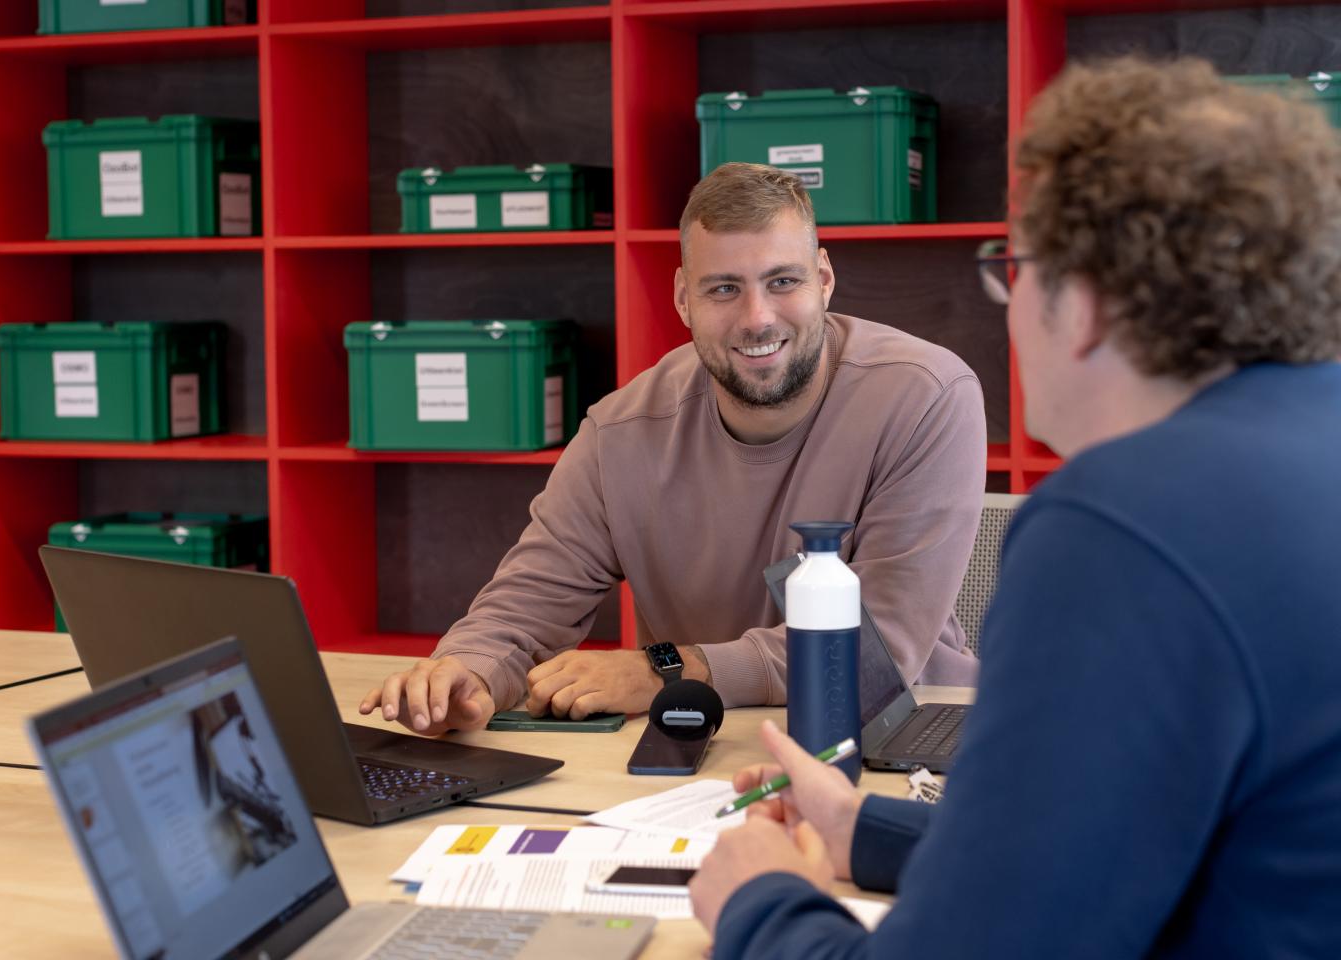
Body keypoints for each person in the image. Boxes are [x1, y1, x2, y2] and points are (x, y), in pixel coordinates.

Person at [688, 55, 1341, 958]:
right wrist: (865, 831)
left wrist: (760, 902)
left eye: (1015, 266)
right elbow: (1132, 842)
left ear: (1086, 302)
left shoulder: (1119, 529)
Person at [360, 162, 987, 733]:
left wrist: (667, 669)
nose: (758, 318)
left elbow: (874, 649)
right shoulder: (621, 430)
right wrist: (466, 671)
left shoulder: (927, 396)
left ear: (823, 280)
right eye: (723, 289)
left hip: (908, 733)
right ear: (683, 297)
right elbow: (525, 604)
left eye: (783, 281)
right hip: (698, 742)